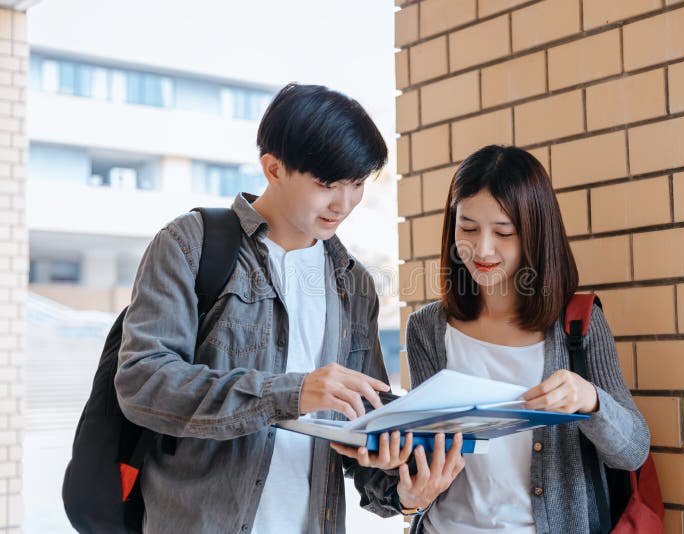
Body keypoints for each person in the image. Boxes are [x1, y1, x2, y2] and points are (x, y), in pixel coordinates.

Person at [115, 83, 413, 534]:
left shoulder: (354, 284)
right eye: (326, 184)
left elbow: (361, 433)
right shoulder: (190, 244)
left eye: (356, 184)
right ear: (273, 168)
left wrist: (399, 481)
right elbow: (143, 382)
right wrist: (291, 393)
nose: (344, 203)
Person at [347, 145, 651, 533]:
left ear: (535, 235)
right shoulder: (427, 328)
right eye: (468, 228)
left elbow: (633, 451)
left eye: (503, 232)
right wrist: (401, 469)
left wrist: (590, 400)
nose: (482, 248)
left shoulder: (577, 324)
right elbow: (427, 455)